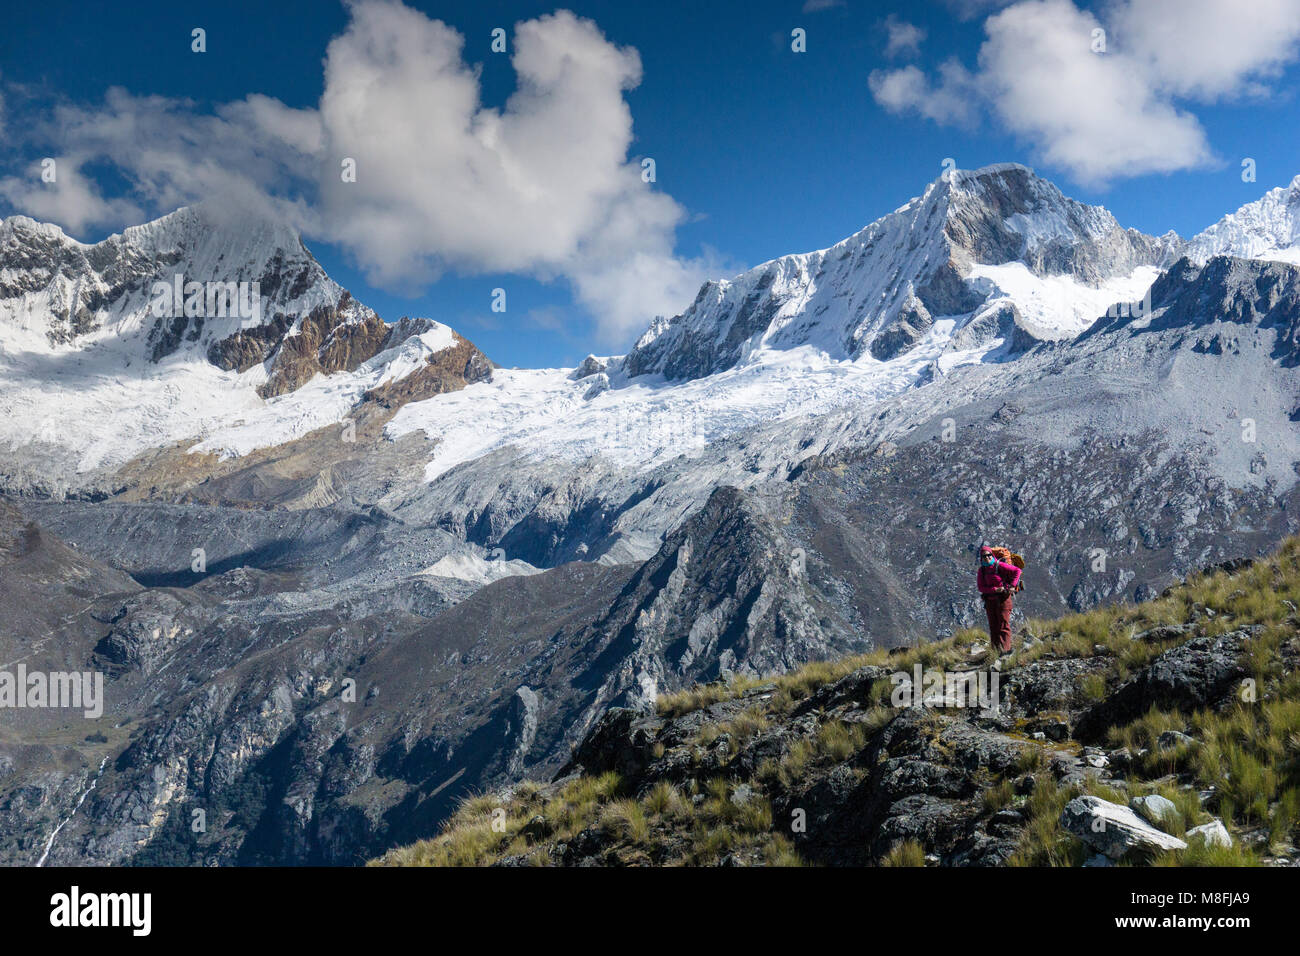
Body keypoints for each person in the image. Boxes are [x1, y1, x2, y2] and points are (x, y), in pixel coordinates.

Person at [977, 545, 1021, 657]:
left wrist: (1012, 585)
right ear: (981, 558)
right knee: (993, 626)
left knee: (1003, 626)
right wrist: (995, 589)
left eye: (989, 555)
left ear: (992, 555)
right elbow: (981, 587)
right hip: (990, 601)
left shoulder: (999, 565)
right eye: (984, 556)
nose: (987, 558)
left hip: (1003, 599)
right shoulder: (982, 571)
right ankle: (995, 652)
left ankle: (1005, 653)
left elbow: (1017, 571)